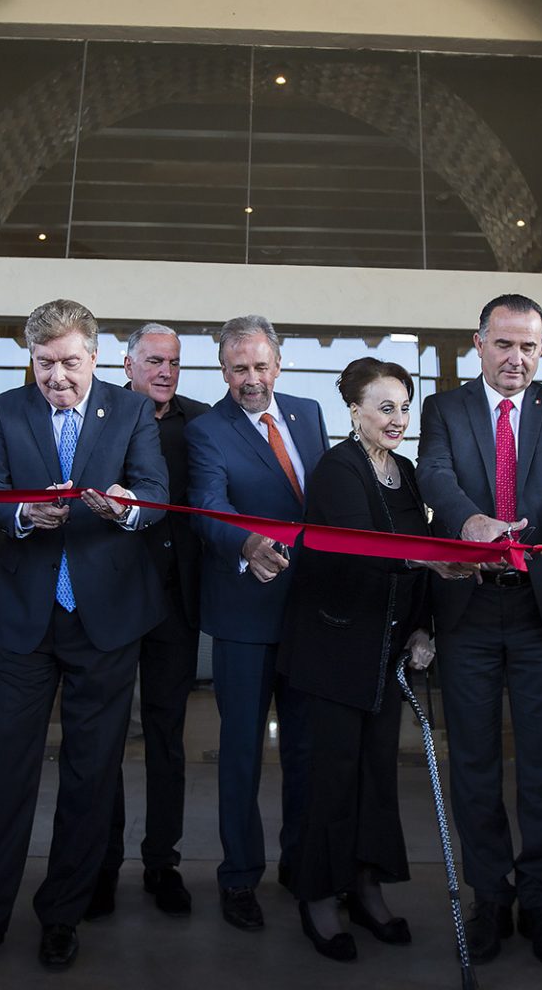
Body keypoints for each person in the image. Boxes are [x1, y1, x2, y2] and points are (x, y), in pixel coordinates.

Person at [0, 299, 168, 980]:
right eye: (44, 364)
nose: (57, 377)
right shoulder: (8, 410)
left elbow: (155, 495)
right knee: (6, 769)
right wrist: (20, 513)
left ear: (96, 358)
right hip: (23, 619)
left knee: (90, 775)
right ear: (29, 360)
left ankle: (61, 917)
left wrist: (126, 507)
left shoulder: (128, 411)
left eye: (70, 362)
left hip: (107, 622)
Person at [415, 293, 542, 972]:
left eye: (529, 347)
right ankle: (489, 897)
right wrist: (469, 523)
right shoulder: (446, 409)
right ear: (479, 343)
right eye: (504, 344)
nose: (517, 358)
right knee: (475, 765)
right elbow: (433, 472)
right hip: (469, 609)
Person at [278, 357, 435, 963]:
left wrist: (423, 626)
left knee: (375, 776)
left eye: (402, 406)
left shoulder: (410, 472)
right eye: (384, 407)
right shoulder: (337, 469)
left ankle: (365, 886)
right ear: (354, 411)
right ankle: (317, 894)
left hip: (387, 650)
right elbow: (360, 551)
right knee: (331, 777)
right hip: (334, 647)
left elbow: (420, 549)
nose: (396, 419)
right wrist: (428, 563)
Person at [186, 315, 325, 931]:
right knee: (241, 752)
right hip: (245, 612)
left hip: (312, 615)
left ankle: (301, 867)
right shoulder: (206, 430)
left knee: (305, 751)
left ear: (278, 364)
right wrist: (246, 545)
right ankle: (239, 877)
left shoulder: (308, 412)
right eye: (238, 368)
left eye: (260, 366)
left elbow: (323, 500)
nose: (251, 379)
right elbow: (207, 506)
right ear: (222, 370)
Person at [93, 324, 209, 919]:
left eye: (174, 362)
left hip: (173, 605)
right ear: (127, 362)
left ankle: (162, 862)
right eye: (153, 360)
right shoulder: (102, 411)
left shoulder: (201, 422)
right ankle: (102, 864)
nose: (165, 371)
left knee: (167, 737)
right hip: (109, 598)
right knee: (106, 737)